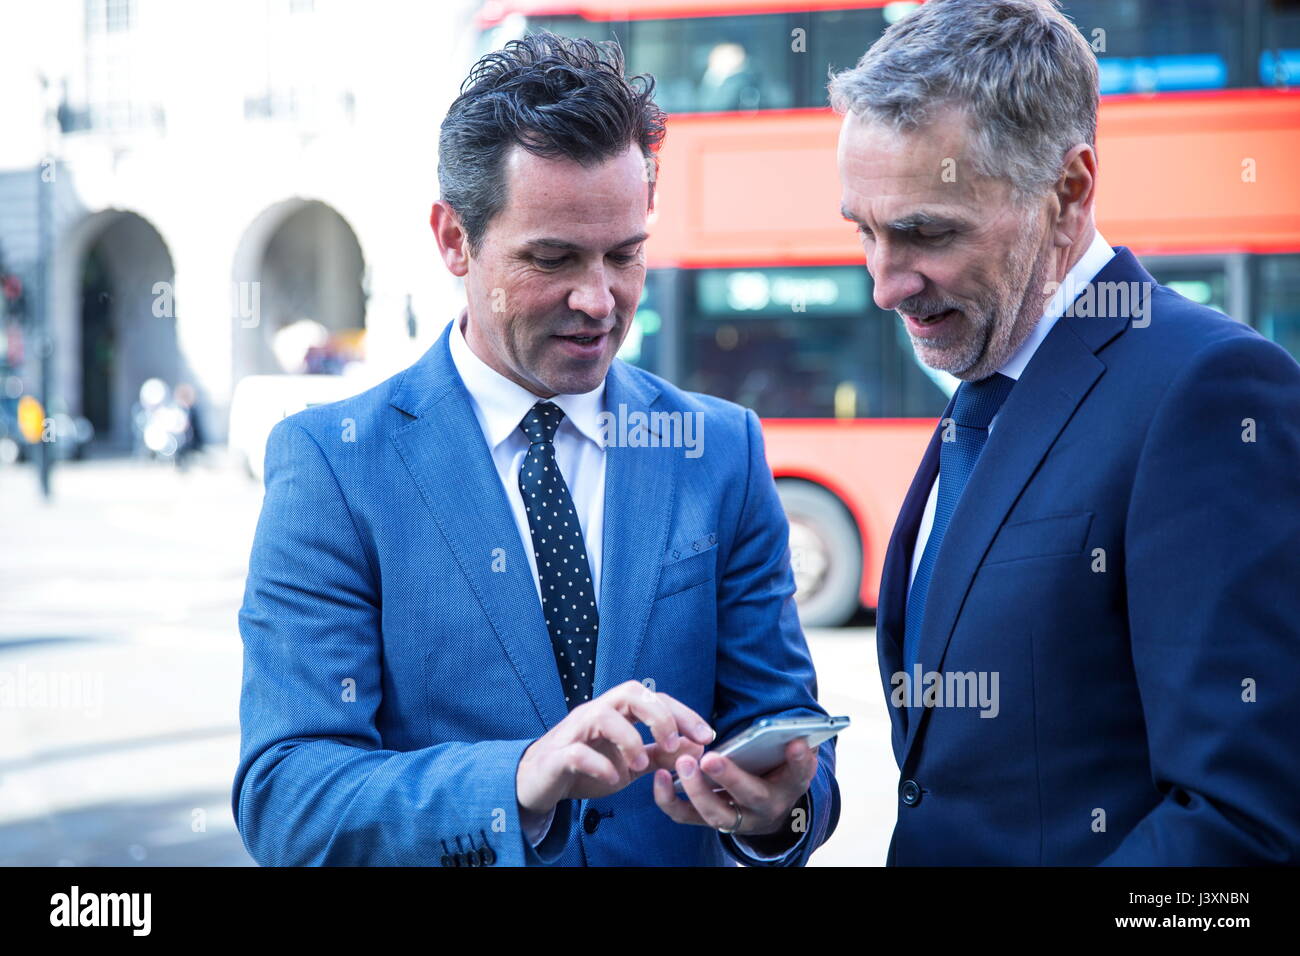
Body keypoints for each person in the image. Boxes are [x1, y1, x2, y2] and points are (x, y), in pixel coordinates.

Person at [233, 31, 839, 867]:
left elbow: (792, 741)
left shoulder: (719, 450)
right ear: (454, 240)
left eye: (626, 256)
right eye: (552, 258)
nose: (599, 300)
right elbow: (288, 798)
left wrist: (778, 813)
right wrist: (517, 780)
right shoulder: (333, 466)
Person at [830, 0, 1300, 864]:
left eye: (927, 232)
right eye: (864, 231)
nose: (884, 284)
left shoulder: (1211, 391)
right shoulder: (993, 367)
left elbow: (1244, 826)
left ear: (1069, 191)